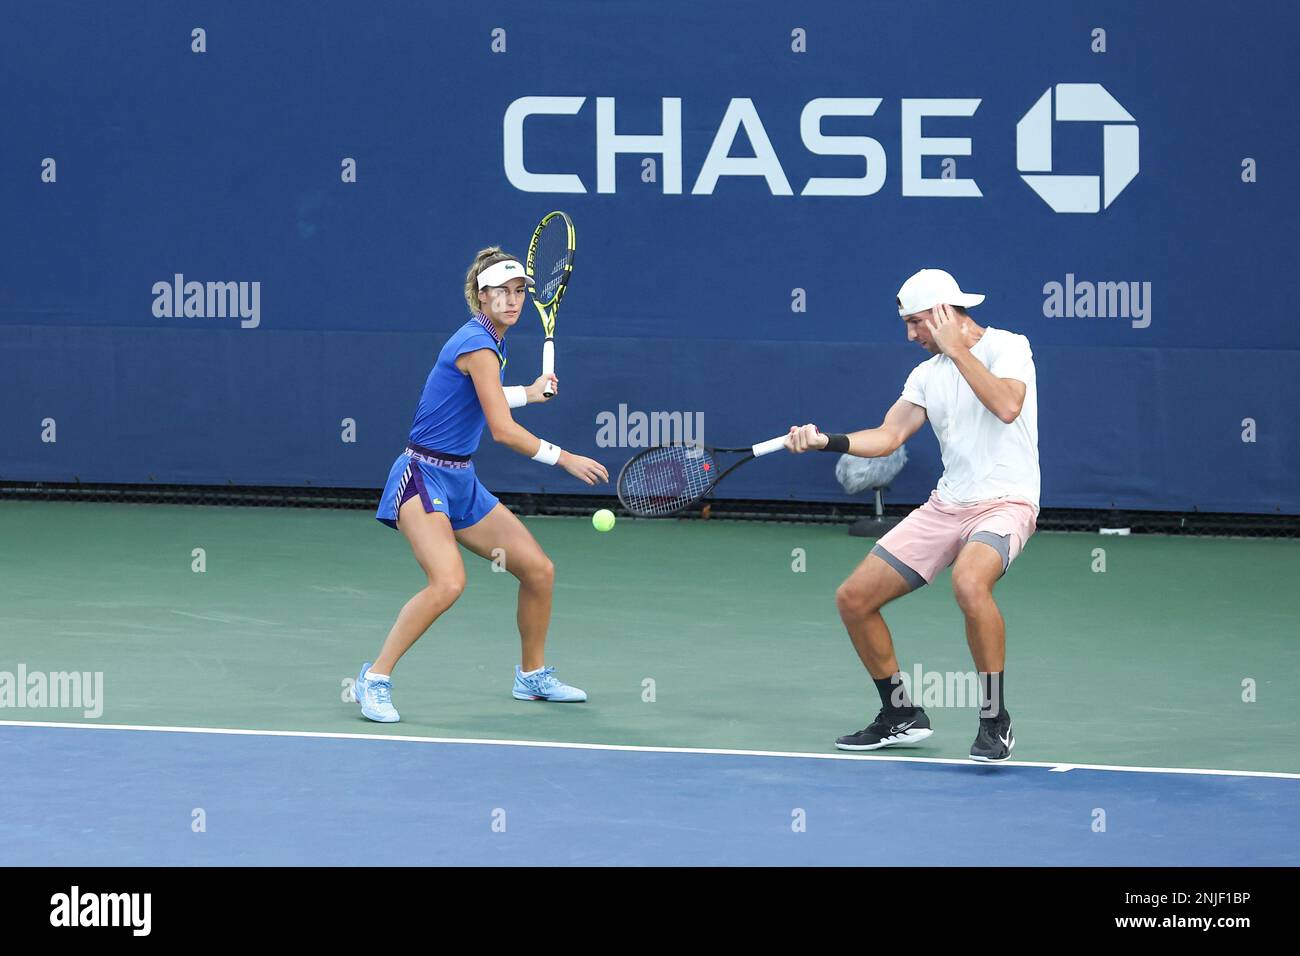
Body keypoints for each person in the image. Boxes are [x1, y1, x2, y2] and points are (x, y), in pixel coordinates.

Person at [785, 268, 1039, 762]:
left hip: (1007, 501)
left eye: (917, 323)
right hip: (947, 505)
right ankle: (900, 713)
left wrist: (957, 349)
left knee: (969, 582)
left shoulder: (1009, 346)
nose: (910, 335)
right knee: (854, 598)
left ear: (946, 313)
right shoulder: (925, 375)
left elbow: (1008, 407)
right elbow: (888, 436)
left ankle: (995, 720)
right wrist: (825, 441)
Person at [352, 247, 609, 723]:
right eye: (502, 292)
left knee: (538, 571)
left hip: (461, 480)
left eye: (519, 293)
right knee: (448, 582)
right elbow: (502, 430)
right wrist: (565, 458)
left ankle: (531, 676)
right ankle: (374, 679)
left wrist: (527, 393)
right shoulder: (478, 343)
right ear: (481, 296)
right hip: (422, 477)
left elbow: (472, 396)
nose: (512, 301)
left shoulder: (492, 342)